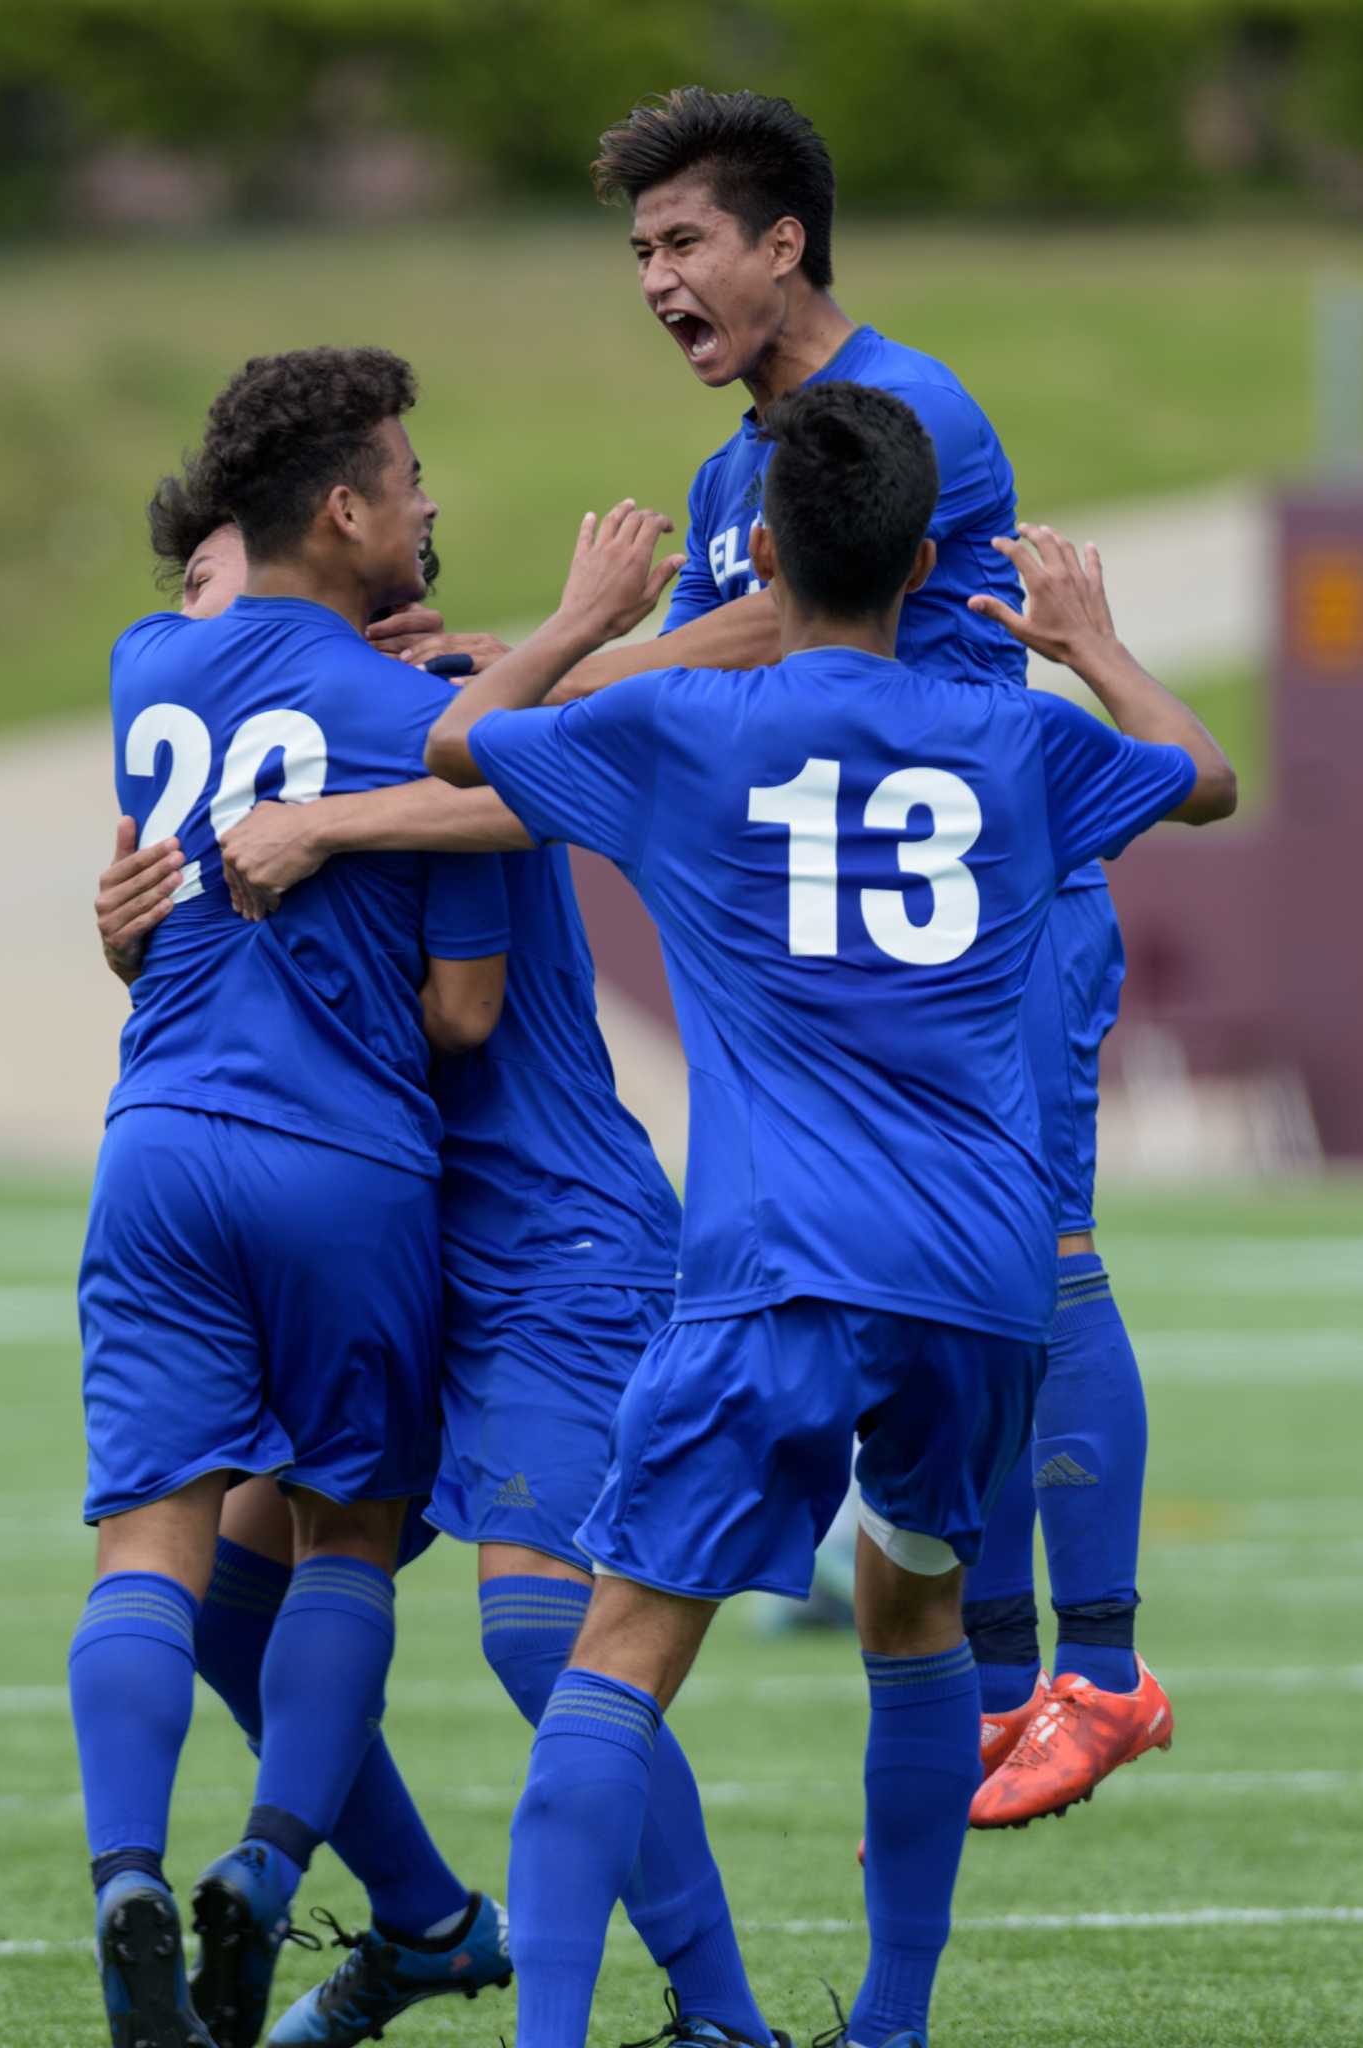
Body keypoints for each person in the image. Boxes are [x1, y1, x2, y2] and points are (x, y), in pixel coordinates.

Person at [421, 382, 1236, 2048]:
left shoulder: (683, 728)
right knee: (916, 1618)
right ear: (926, 561)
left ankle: (551, 2034)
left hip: (772, 1269)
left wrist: (584, 623)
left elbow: (457, 744)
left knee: (620, 1648)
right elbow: (1204, 777)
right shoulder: (1018, 740)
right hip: (978, 1281)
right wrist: (1089, 642)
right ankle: (889, 2026)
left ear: (768, 559)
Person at [406, 82, 1174, 1823]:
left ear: (782, 242)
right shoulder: (721, 472)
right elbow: (676, 690)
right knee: (954, 1295)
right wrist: (501, 689)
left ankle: (1103, 1671)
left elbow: (737, 642)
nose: (656, 281)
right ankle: (1000, 1684)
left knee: (1041, 1255)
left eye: (683, 241)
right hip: (850, 939)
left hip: (986, 920)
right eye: (638, 252)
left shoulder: (908, 411)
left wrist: (529, 666)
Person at [97, 499, 783, 2048]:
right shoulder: (264, 767)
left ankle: (721, 2014)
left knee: (540, 1634)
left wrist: (530, 664)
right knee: (232, 1607)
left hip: (546, 1237)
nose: (197, 621)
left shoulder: (446, 733)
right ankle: (419, 1926)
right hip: (391, 1247)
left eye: (210, 585)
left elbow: (461, 1000)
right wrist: (144, 944)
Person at [74, 344, 515, 2048]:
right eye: (407, 481)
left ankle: (124, 1871)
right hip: (344, 1163)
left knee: (149, 1544)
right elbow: (463, 1015)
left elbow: (148, 895)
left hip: (157, 1146)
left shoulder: (145, 667)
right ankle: (263, 1866)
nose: (425, 505)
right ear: (341, 511)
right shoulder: (422, 726)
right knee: (343, 1539)